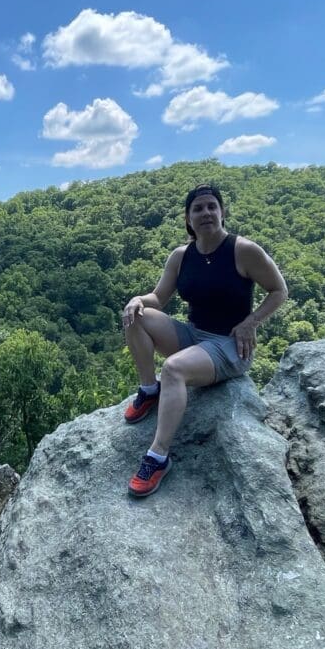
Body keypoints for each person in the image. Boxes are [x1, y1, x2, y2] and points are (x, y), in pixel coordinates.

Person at [121, 185, 287, 496]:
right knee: (134, 315)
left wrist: (252, 322)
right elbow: (158, 297)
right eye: (198, 208)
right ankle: (148, 390)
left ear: (223, 213)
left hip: (229, 346)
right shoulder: (182, 256)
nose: (206, 213)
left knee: (173, 369)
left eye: (212, 206)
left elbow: (279, 291)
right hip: (194, 337)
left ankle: (157, 457)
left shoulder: (243, 250)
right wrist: (137, 299)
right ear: (188, 219)